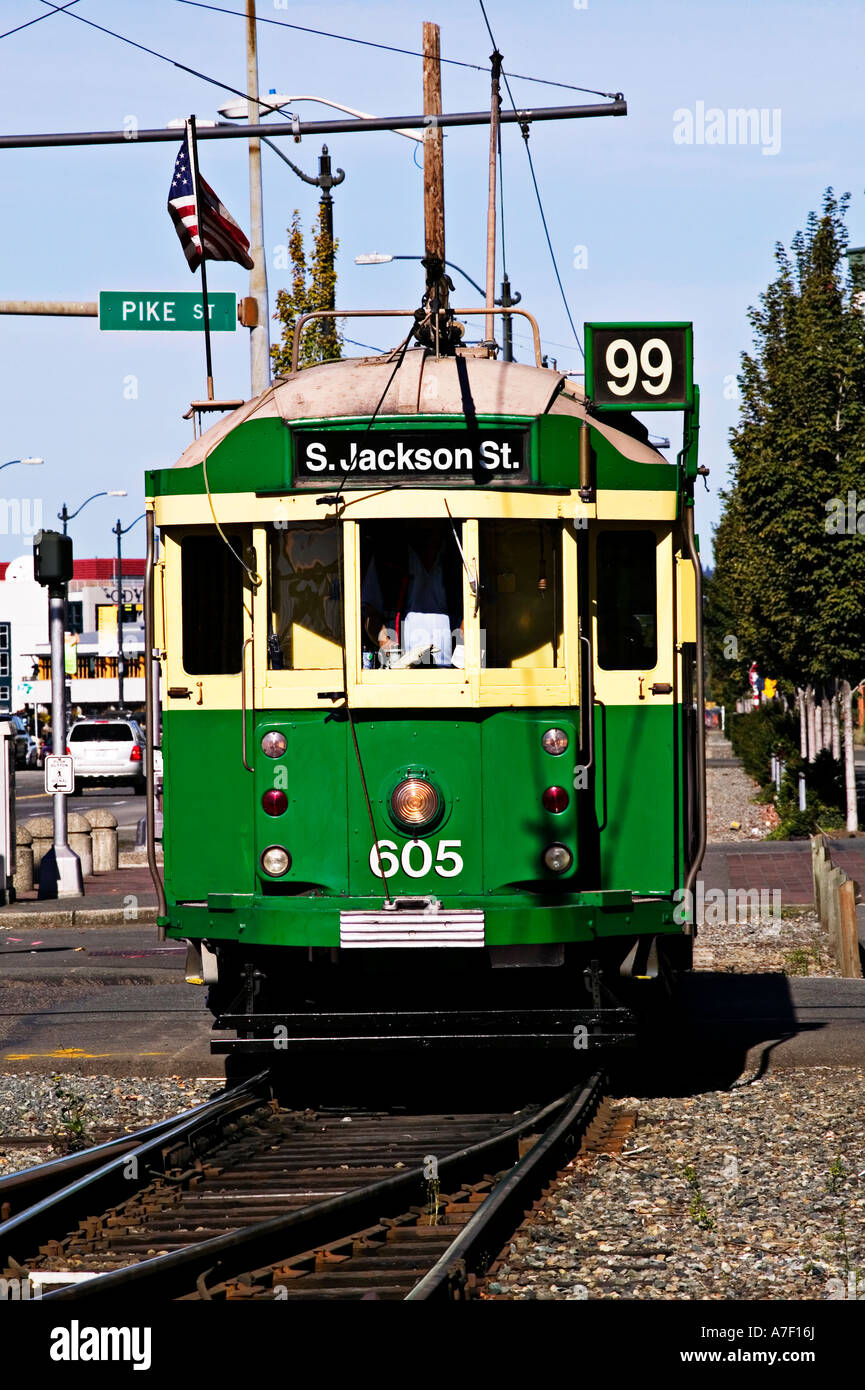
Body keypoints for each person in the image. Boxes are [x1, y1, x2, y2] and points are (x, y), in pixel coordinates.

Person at [361, 522, 462, 668]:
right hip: (404, 673)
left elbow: (478, 604)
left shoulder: (458, 557)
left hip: (453, 673)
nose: (426, 527)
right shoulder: (387, 558)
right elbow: (371, 612)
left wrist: (463, 649)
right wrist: (387, 645)